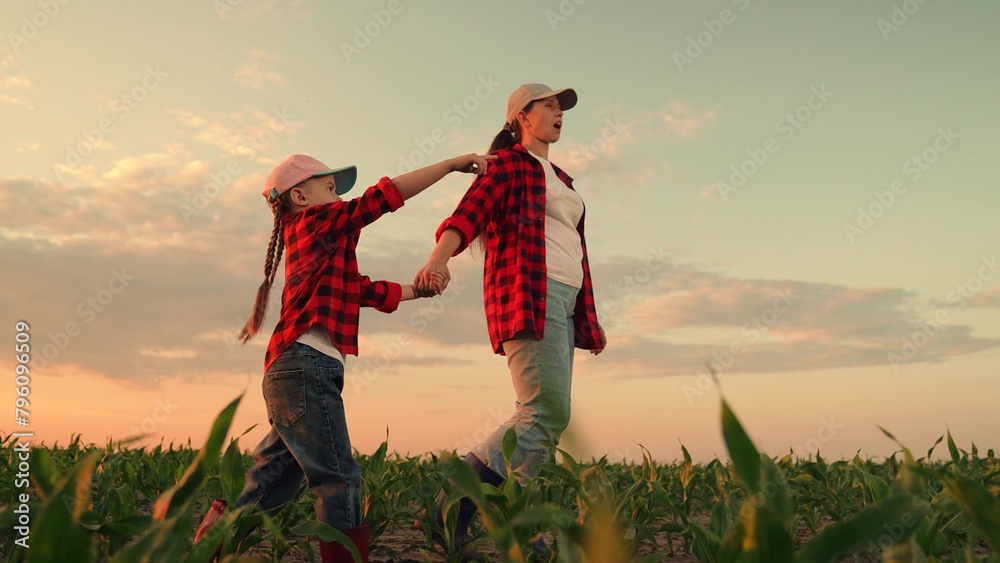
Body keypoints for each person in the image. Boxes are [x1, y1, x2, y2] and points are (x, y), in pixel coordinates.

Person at [194, 150, 493, 563]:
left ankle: (205, 550)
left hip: (293, 370)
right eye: (331, 189)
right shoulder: (315, 222)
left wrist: (419, 289)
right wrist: (450, 165)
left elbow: (362, 289)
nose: (339, 199)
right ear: (300, 196)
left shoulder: (318, 246)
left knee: (273, 476)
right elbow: (382, 197)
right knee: (339, 477)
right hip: (305, 367)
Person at [414, 83, 606, 557]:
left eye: (561, 108)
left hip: (564, 300)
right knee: (541, 413)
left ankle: (509, 522)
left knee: (548, 418)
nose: (559, 113)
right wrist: (439, 258)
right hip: (529, 294)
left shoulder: (562, 179)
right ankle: (454, 508)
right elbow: (468, 214)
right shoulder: (507, 165)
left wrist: (588, 319)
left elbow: (573, 249)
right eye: (550, 105)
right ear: (522, 115)